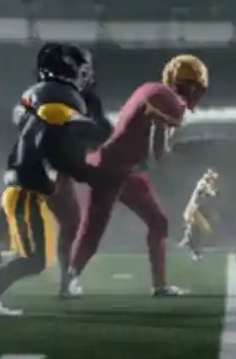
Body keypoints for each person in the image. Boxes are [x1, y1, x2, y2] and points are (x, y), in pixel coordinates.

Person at [0, 43, 108, 314]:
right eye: (82, 70)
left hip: (27, 179)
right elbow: (62, 147)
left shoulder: (39, 94)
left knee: (36, 252)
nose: (87, 76)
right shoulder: (65, 98)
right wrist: (92, 174)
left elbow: (38, 134)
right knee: (36, 258)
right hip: (34, 183)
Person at [66, 55, 210, 297]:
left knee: (158, 221)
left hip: (122, 167)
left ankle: (160, 286)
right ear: (190, 85)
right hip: (110, 169)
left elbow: (141, 140)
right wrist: (183, 155)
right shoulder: (167, 100)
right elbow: (157, 153)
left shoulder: (152, 89)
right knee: (93, 228)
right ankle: (69, 277)